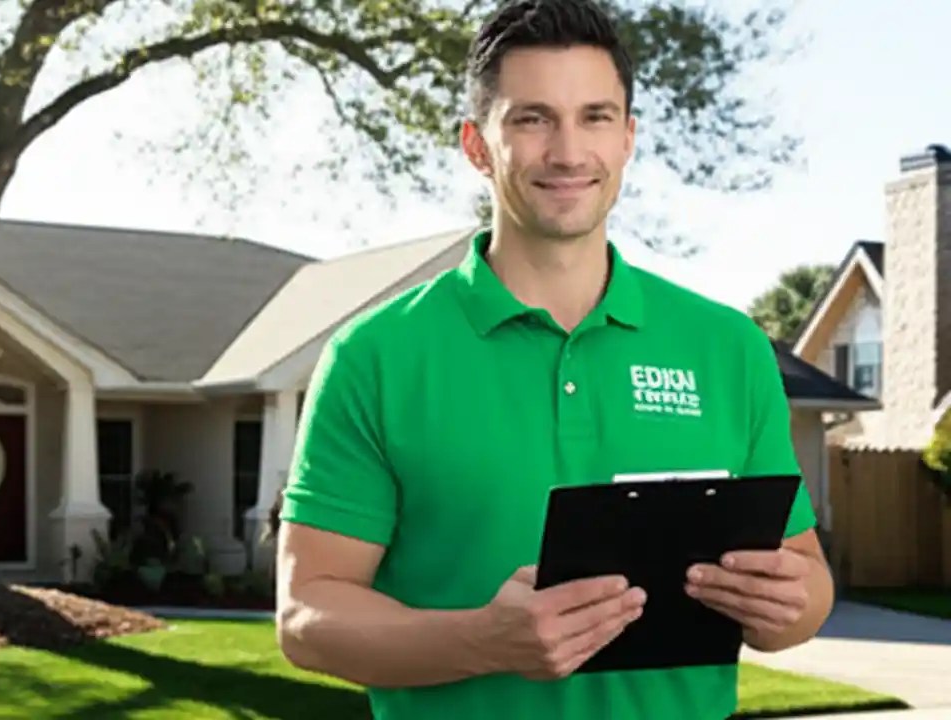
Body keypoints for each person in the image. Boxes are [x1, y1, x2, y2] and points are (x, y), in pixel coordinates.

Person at [273, 1, 835, 718]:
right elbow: (307, 617)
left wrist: (790, 608)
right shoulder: (375, 356)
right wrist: (485, 642)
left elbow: (806, 581)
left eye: (595, 117)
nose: (569, 152)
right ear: (478, 145)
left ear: (629, 138)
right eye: (533, 118)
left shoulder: (728, 348)